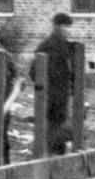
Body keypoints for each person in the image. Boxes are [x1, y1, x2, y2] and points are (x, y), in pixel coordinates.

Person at [32, 12, 76, 154]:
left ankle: (59, 154)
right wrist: (45, 87)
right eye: (65, 27)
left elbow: (74, 71)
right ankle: (50, 154)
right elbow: (34, 70)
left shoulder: (69, 47)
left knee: (60, 125)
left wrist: (72, 88)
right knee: (51, 126)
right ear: (56, 27)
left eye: (69, 27)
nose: (68, 31)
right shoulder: (46, 46)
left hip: (62, 94)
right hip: (50, 94)